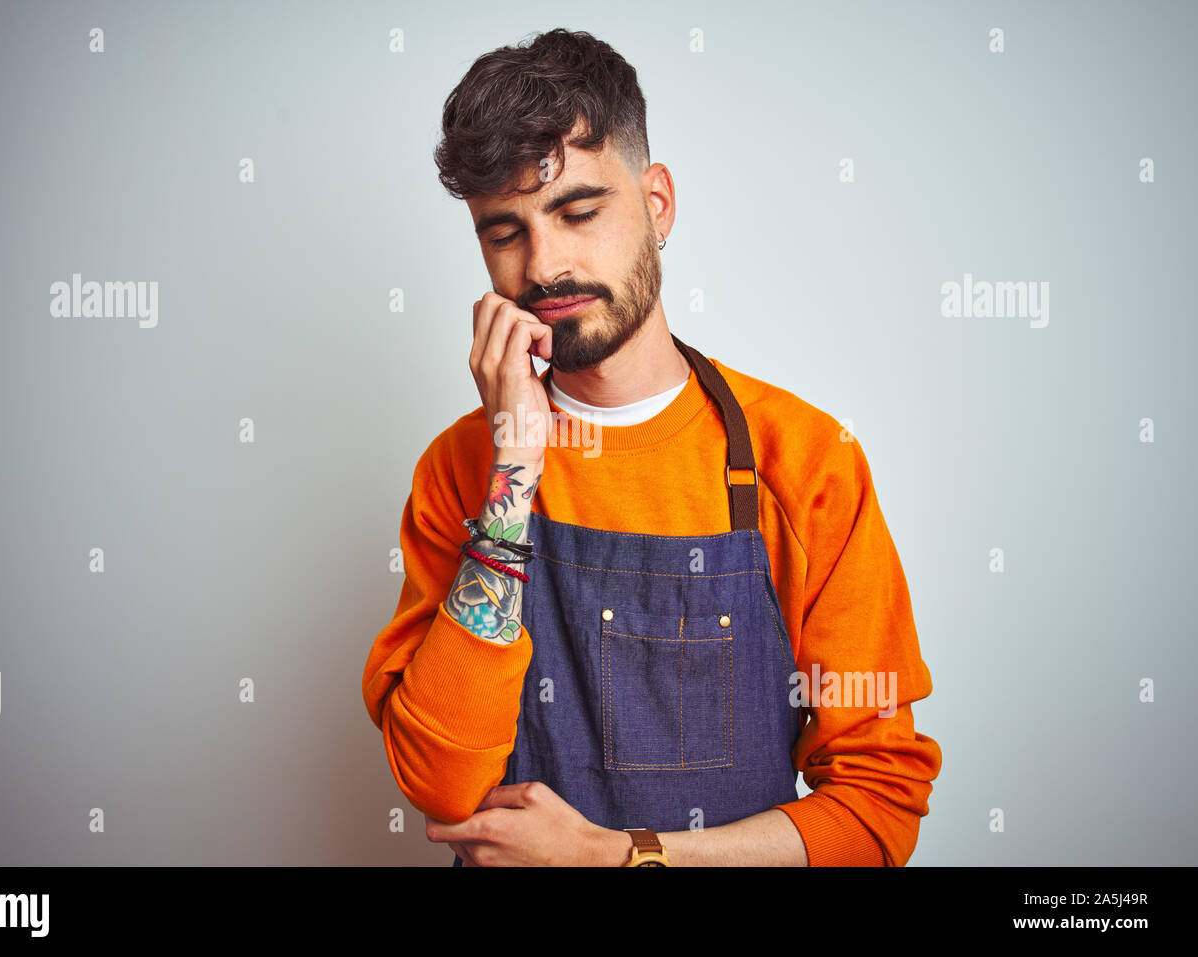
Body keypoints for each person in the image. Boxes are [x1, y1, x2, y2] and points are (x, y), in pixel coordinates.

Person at [361, 28, 942, 866]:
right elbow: (441, 783)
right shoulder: (461, 467)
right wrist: (514, 468)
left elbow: (879, 806)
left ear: (657, 203)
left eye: (579, 211)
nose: (545, 265)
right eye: (504, 231)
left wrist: (623, 857)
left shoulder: (807, 460)